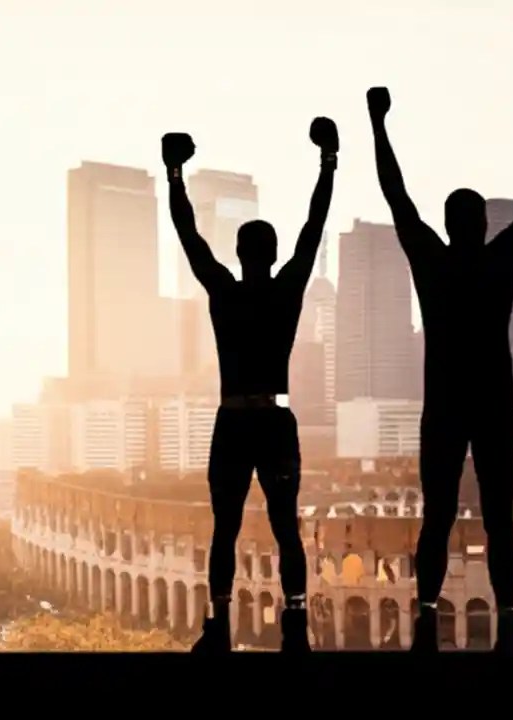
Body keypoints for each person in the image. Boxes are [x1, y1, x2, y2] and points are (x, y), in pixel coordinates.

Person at [366, 86, 513, 654]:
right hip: (493, 405)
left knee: (436, 516)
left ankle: (426, 622)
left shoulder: (431, 261)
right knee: (499, 518)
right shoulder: (499, 259)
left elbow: (396, 195)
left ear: (448, 222)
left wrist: (377, 124)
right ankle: (509, 624)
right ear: (481, 222)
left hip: (446, 406)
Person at [162, 116, 339, 653]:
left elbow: (188, 235)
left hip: (233, 420)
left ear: (239, 253)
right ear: (272, 251)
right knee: (287, 526)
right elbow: (314, 226)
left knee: (226, 528)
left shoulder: (224, 290)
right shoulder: (287, 290)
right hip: (275, 421)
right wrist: (328, 162)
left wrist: (174, 174)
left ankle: (218, 628)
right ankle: (295, 629)